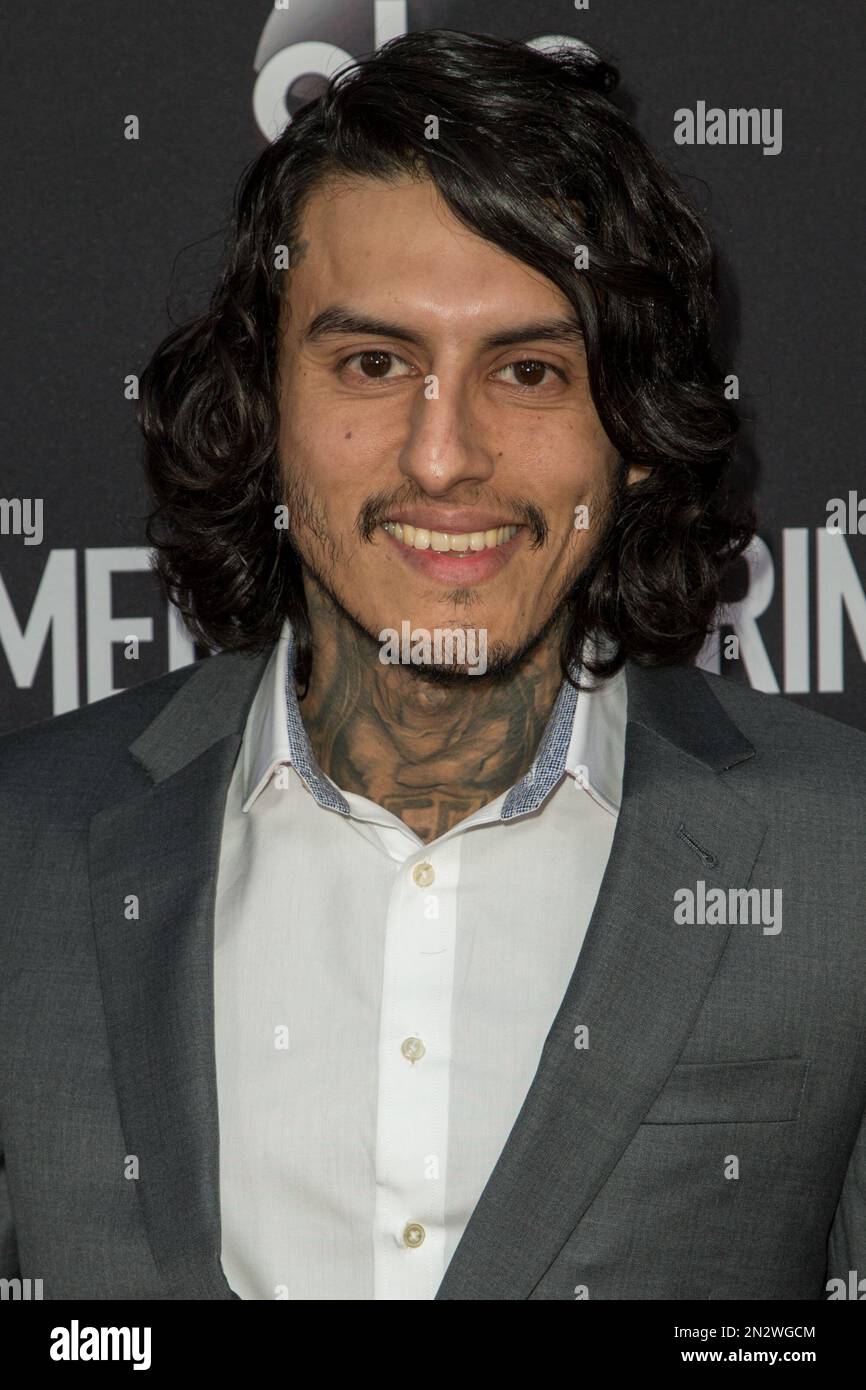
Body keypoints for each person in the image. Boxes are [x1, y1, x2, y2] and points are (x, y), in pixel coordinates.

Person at [1, 28, 865, 1302]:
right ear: (263, 408)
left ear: (630, 435)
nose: (442, 456)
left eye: (526, 370)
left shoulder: (836, 857)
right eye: (371, 363)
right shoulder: (23, 850)